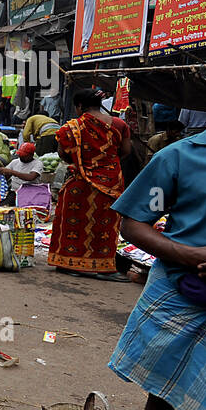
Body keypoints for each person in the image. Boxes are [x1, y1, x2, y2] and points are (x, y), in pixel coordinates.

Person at [107, 127, 206, 410]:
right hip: (183, 295)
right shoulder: (179, 157)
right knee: (166, 401)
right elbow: (133, 224)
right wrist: (191, 256)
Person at [47, 88, 131, 279]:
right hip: (110, 184)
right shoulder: (119, 124)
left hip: (80, 184)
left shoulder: (70, 128)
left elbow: (64, 155)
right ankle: (102, 267)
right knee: (105, 226)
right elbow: (126, 151)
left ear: (79, 106)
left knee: (73, 225)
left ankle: (68, 263)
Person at [0, 142, 45, 208]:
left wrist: (12, 172)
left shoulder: (37, 163)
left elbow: (31, 177)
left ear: (31, 155)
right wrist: (1, 172)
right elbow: (6, 176)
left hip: (30, 192)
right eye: (20, 155)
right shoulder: (15, 162)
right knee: (2, 207)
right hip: (15, 192)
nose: (21, 156)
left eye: (24, 155)